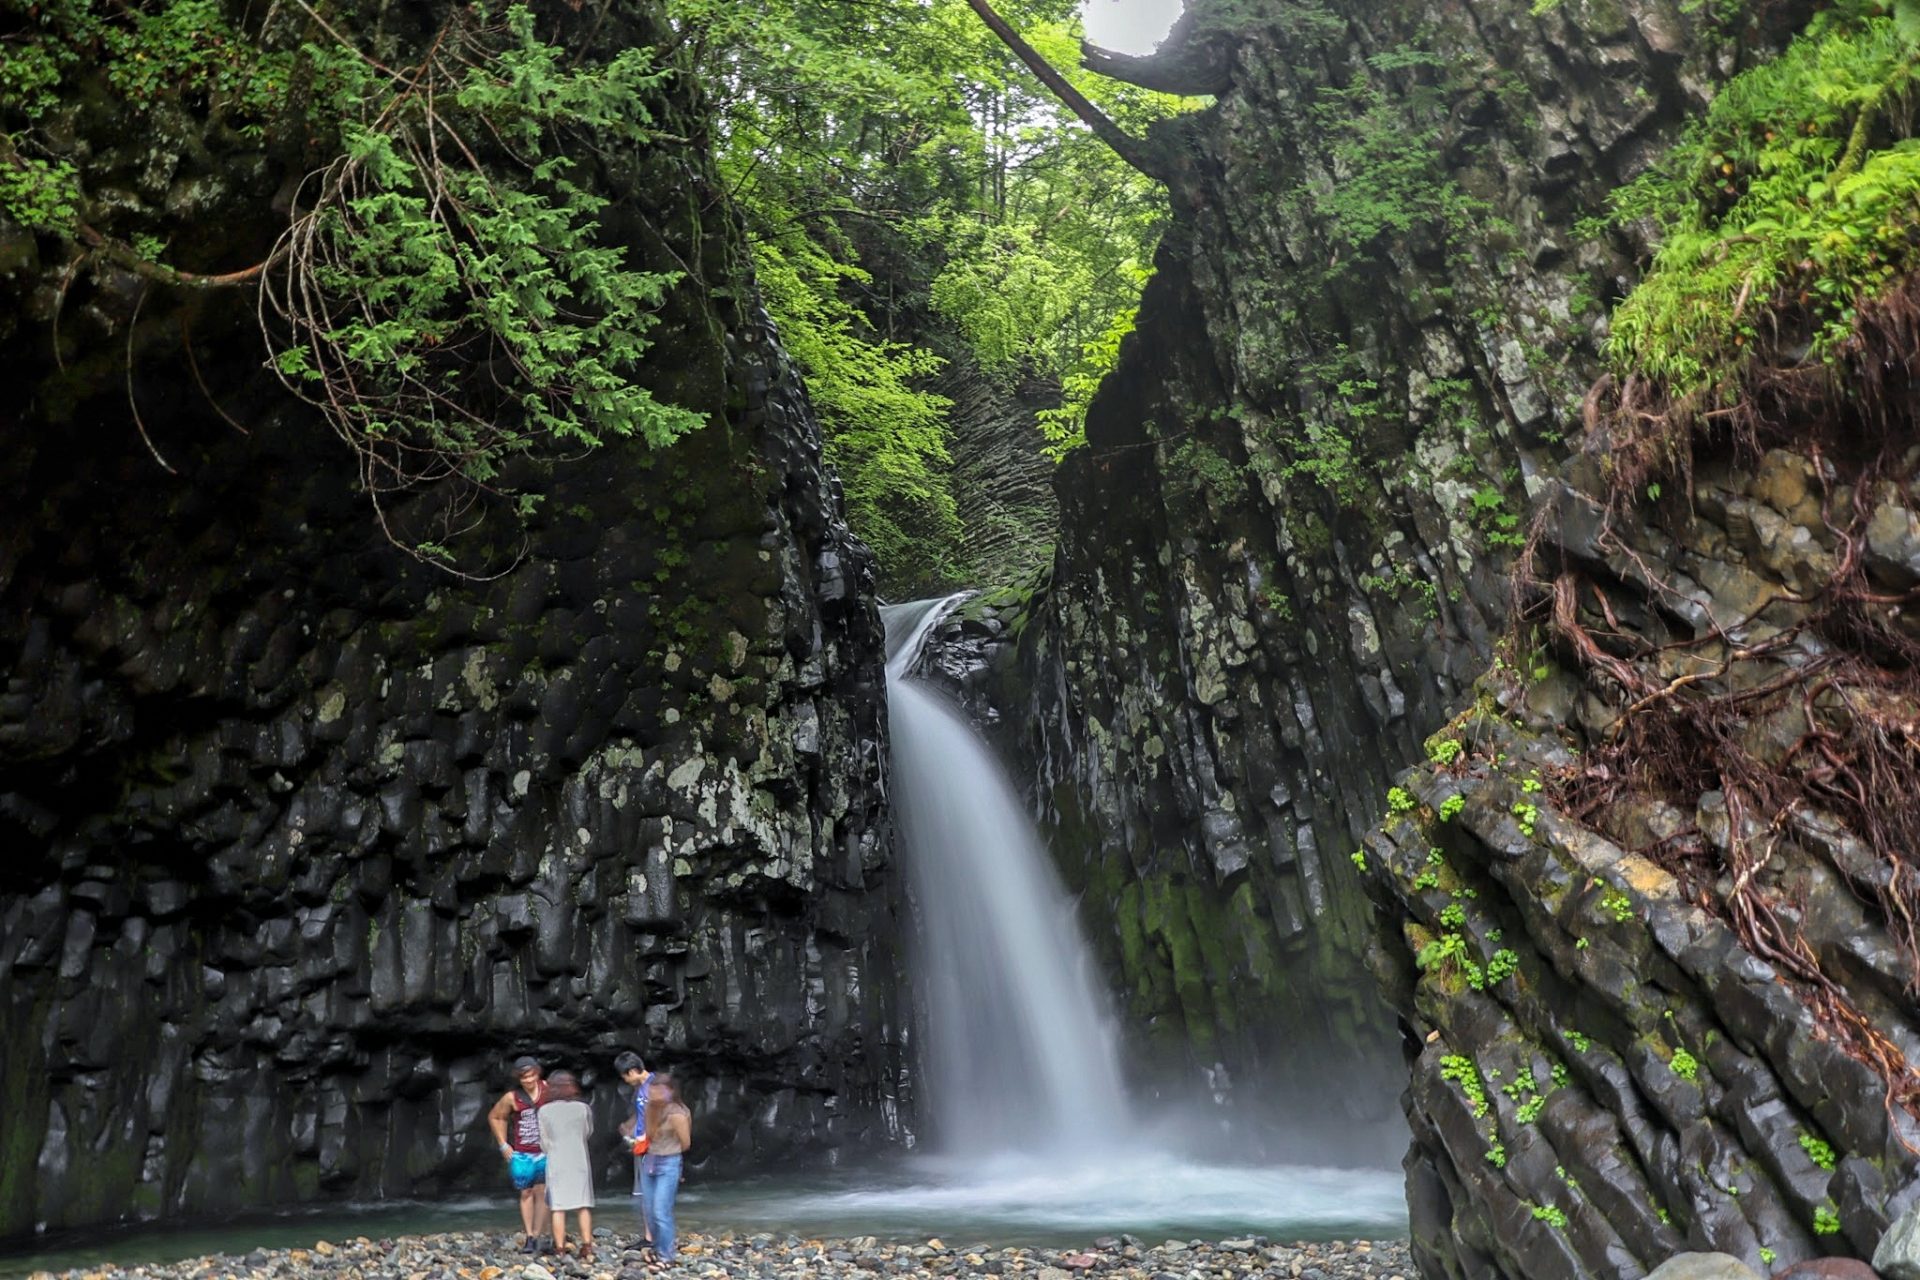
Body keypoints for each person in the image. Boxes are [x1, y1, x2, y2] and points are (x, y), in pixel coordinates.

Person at [487, 1055, 551, 1253]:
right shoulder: (512, 1097)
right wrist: (503, 1144)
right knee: (526, 1193)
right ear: (519, 1078)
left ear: (537, 1073)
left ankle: (538, 1234)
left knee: (542, 1192)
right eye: (524, 1077)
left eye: (531, 1076)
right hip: (523, 1153)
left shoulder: (548, 1089)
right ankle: (529, 1236)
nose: (528, 1080)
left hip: (545, 1151)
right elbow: (495, 1116)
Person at [537, 1071, 596, 1260]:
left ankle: (560, 1248)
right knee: (583, 1204)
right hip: (579, 1160)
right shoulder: (583, 1108)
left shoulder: (544, 1111)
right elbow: (587, 1132)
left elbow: (543, 1142)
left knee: (558, 1206)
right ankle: (587, 1245)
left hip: (557, 1161)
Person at [638, 1073, 691, 1271]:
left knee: (661, 1210)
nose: (654, 1093)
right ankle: (658, 1248)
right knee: (650, 1211)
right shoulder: (650, 1108)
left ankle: (667, 1256)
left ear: (670, 1091)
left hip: (669, 1161)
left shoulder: (678, 1113)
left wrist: (669, 1148)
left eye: (659, 1090)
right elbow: (649, 1135)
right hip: (650, 1160)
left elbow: (686, 1143)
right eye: (652, 1090)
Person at [614, 1051, 652, 1201]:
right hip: (640, 1143)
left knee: (651, 1191)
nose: (626, 1081)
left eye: (625, 1077)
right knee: (642, 1188)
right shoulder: (639, 1089)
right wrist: (629, 1125)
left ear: (632, 1072)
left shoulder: (657, 1086)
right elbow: (640, 1112)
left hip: (654, 1145)